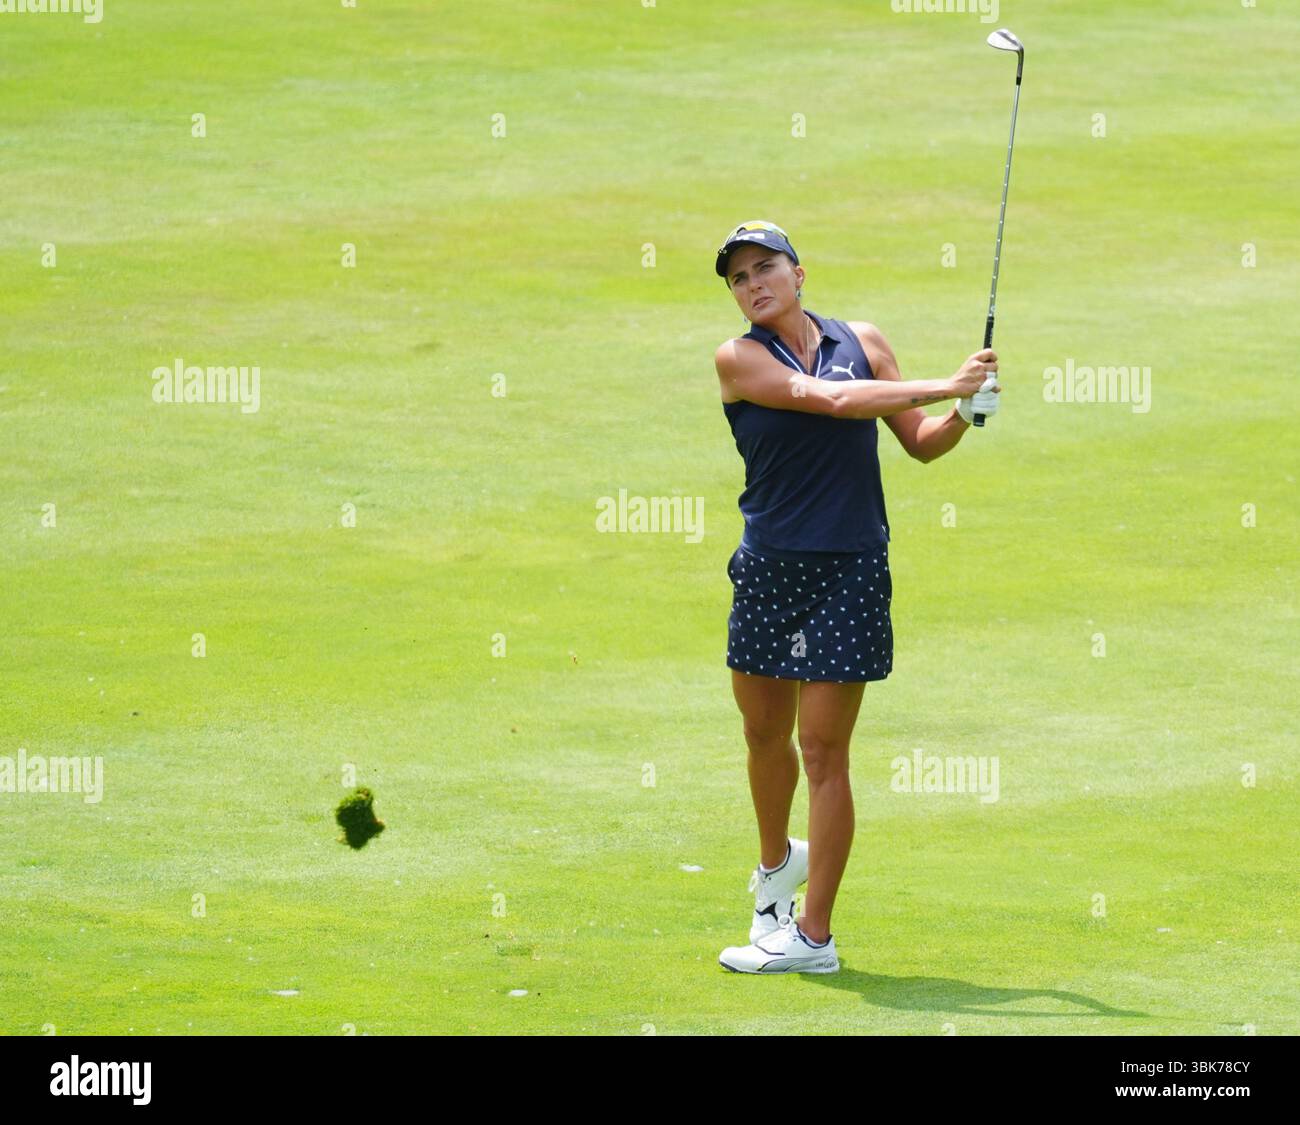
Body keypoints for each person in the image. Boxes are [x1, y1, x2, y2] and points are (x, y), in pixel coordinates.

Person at [711, 220, 1001, 974]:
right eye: (739, 278)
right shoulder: (739, 359)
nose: (753, 284)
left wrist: (967, 415)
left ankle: (813, 937)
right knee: (763, 737)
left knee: (824, 750)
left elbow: (922, 442)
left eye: (765, 267)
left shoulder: (864, 341)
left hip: (850, 570)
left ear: (799, 273)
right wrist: (949, 383)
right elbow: (831, 403)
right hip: (772, 568)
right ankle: (776, 870)